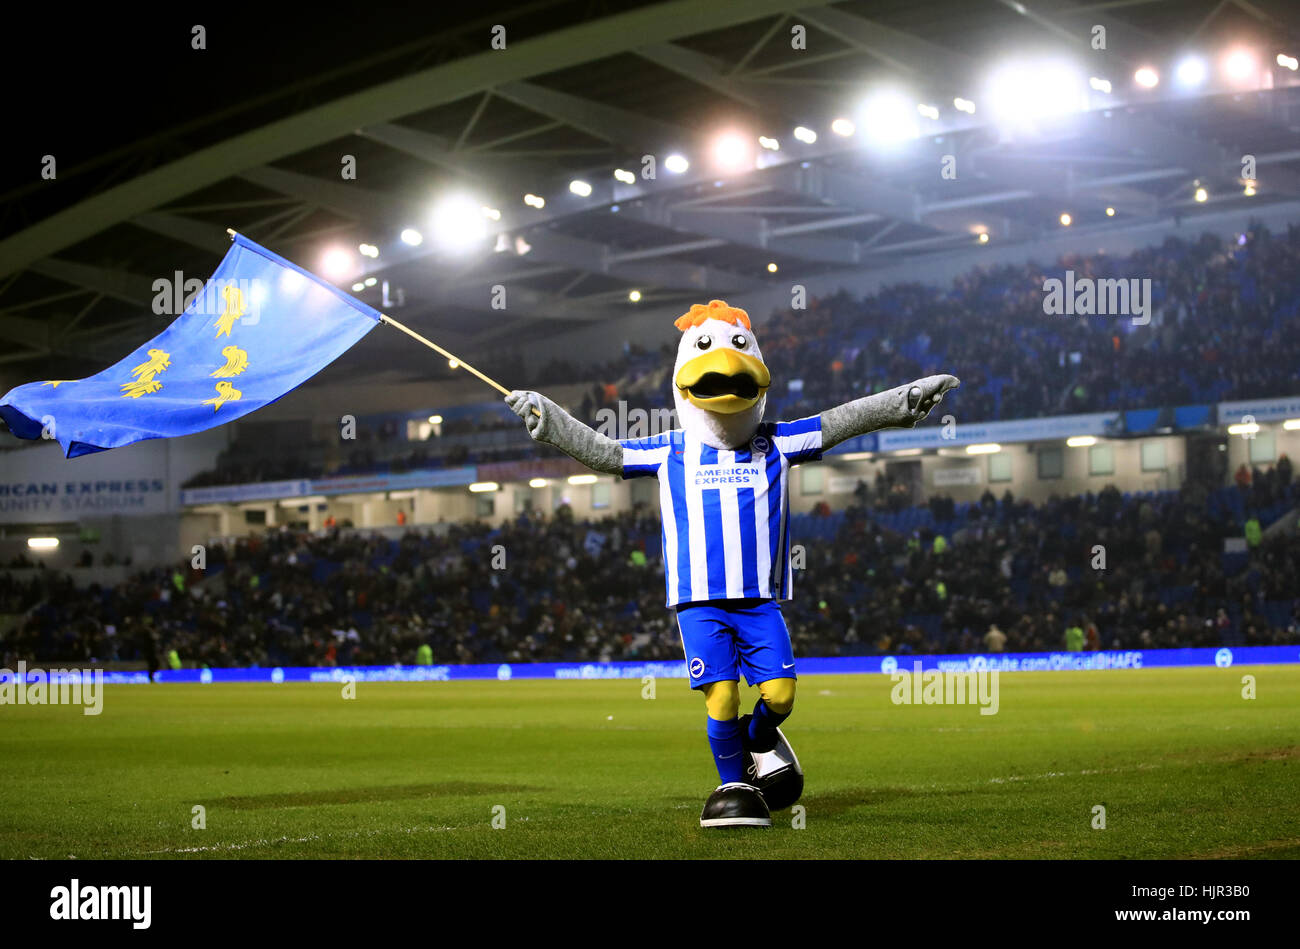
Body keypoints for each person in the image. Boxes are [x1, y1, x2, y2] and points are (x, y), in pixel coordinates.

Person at [508, 299, 958, 828]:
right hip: (698, 601)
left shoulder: (779, 442)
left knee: (782, 694)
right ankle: (733, 784)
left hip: (758, 599)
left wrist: (902, 402)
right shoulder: (667, 451)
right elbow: (604, 452)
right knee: (721, 696)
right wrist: (549, 418)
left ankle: (761, 737)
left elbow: (843, 421)